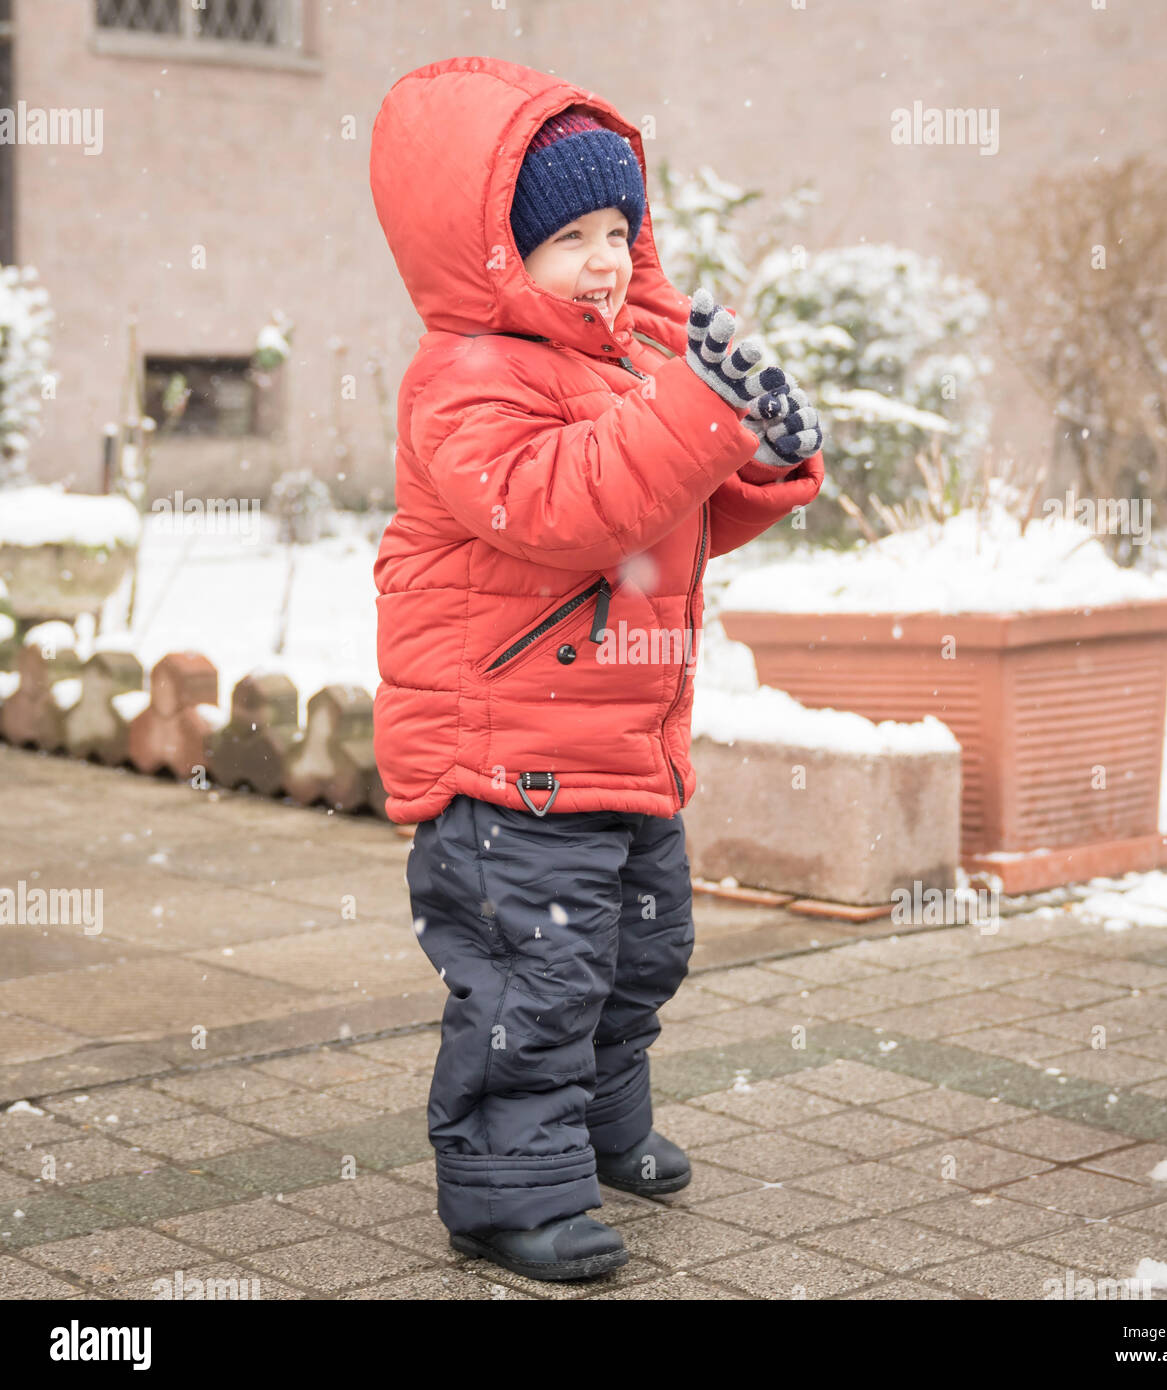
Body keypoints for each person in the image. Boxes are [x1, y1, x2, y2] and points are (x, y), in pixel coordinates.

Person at [368, 55, 824, 1282]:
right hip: (508, 756)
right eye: (568, 234)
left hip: (619, 742)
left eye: (619, 228)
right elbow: (568, 507)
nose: (607, 257)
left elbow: (660, 516)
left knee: (640, 949)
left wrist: (759, 453)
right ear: (494, 255)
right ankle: (505, 1190)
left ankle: (596, 1131)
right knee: (539, 972)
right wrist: (692, 408)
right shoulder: (463, 382)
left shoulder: (618, 364)